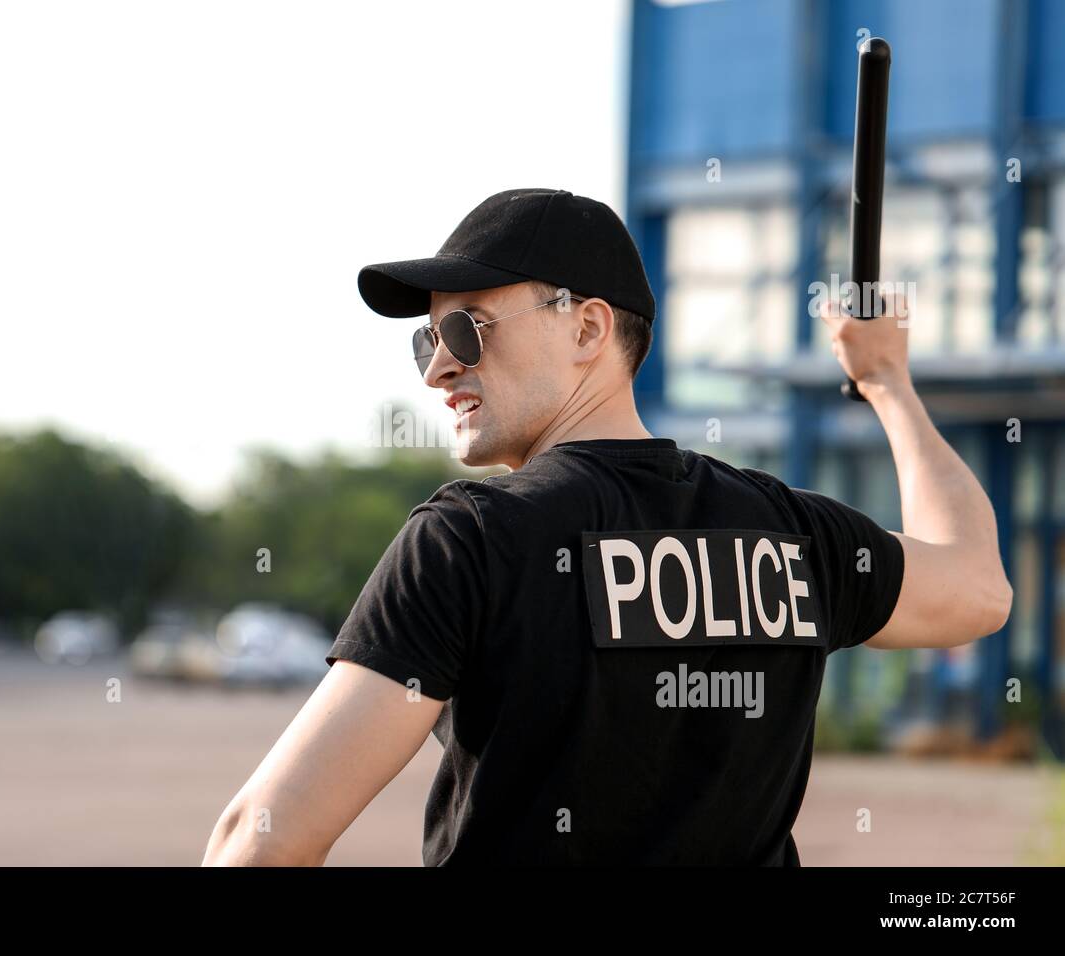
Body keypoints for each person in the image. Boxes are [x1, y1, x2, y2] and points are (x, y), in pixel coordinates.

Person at [202, 188, 1012, 866]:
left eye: (467, 328)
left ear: (588, 329)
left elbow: (262, 839)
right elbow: (977, 586)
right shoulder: (790, 535)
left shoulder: (467, 543)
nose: (439, 368)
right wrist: (888, 381)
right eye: (427, 340)